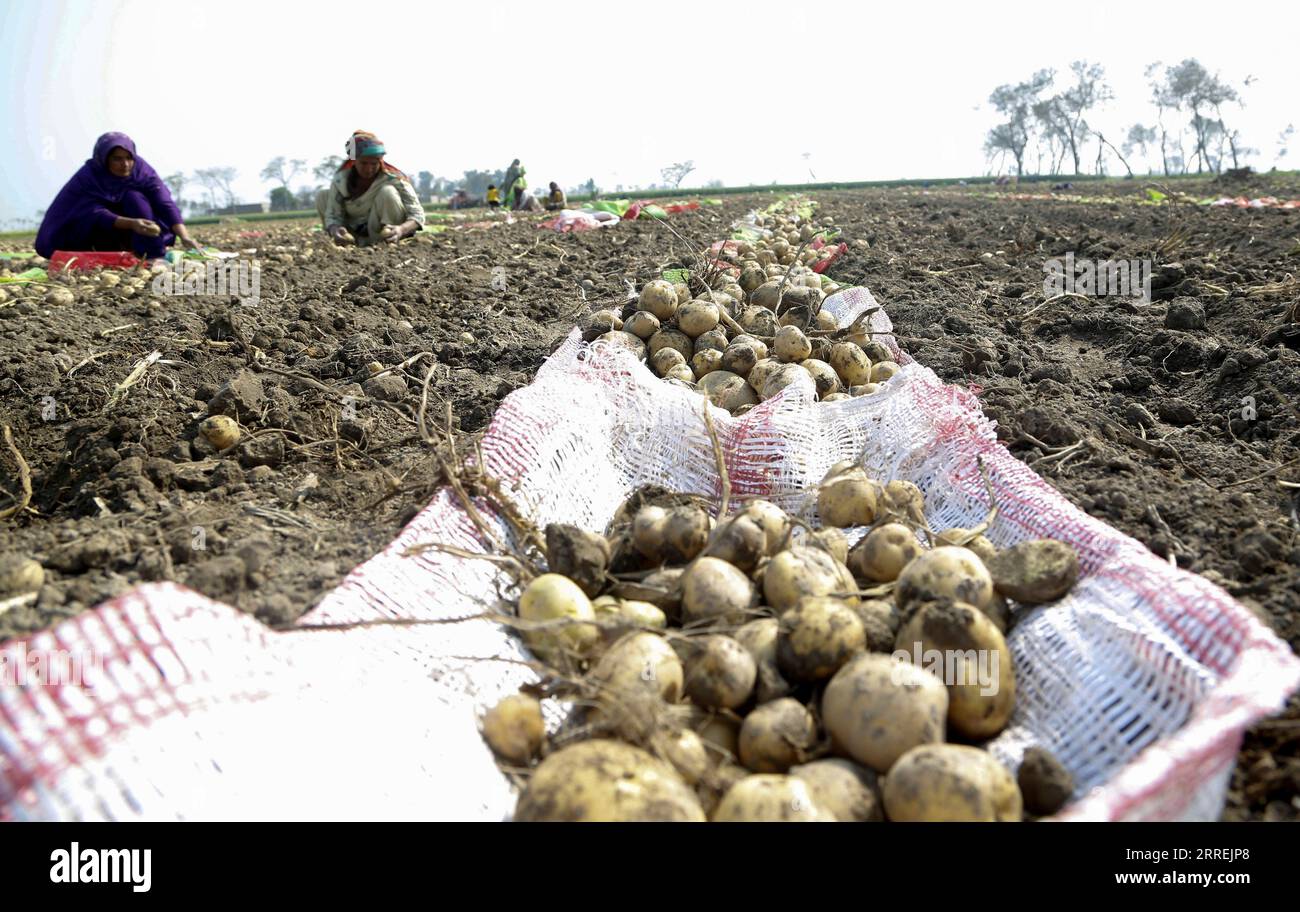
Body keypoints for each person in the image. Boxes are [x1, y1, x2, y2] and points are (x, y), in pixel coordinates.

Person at [35, 132, 201, 260]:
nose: (125, 164)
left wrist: (184, 236)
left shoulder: (142, 171)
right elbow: (92, 213)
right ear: (104, 159)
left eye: (129, 158)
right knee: (91, 220)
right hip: (99, 231)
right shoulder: (88, 177)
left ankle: (151, 253)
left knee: (134, 198)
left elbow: (164, 203)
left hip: (139, 226)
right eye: (117, 159)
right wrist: (131, 224)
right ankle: (110, 253)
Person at [316, 131, 424, 247]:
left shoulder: (393, 178)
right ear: (354, 161)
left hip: (380, 231)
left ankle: (387, 240)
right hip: (354, 233)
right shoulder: (340, 180)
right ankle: (348, 243)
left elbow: (417, 214)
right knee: (323, 195)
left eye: (374, 164)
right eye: (363, 163)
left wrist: (401, 229)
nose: (369, 169)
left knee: (388, 192)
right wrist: (334, 229)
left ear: (380, 160)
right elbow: (333, 215)